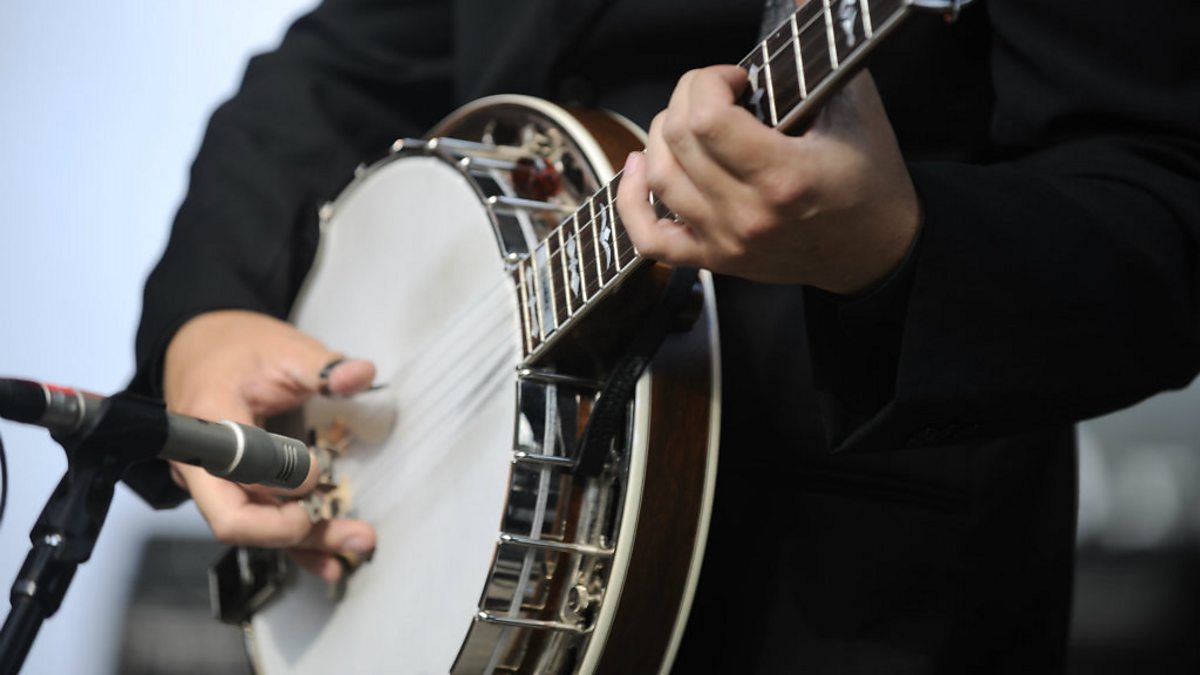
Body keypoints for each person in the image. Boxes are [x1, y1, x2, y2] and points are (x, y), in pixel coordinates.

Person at [125, 0, 1200, 671]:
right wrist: (205, 321)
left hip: (831, 596)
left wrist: (890, 248)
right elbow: (338, 61)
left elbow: (1168, 193)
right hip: (431, 550)